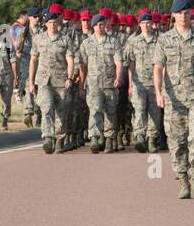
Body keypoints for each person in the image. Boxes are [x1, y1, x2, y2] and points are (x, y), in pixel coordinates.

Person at [153, 0, 194, 198]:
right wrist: (158, 91)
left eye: (186, 12)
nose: (183, 16)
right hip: (174, 98)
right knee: (177, 141)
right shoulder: (164, 40)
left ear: (191, 14)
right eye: (179, 13)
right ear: (173, 15)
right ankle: (183, 180)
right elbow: (158, 67)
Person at [29, 9, 77, 154]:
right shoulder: (38, 39)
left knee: (61, 112)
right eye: (50, 22)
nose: (53, 25)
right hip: (44, 80)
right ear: (46, 23)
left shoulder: (65, 39)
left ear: (59, 23)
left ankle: (60, 139)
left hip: (61, 80)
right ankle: (48, 137)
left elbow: (70, 59)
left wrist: (69, 77)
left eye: (55, 22)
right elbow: (33, 59)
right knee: (47, 108)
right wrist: (31, 82)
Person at [79, 12, 125, 154]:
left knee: (110, 113)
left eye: (102, 24)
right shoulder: (86, 44)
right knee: (95, 110)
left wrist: (118, 77)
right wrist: (81, 85)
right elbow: (82, 66)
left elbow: (118, 62)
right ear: (92, 26)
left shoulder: (114, 42)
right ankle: (94, 138)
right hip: (93, 84)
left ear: (106, 25)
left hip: (110, 84)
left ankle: (109, 140)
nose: (100, 27)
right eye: (97, 25)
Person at [126, 11, 163, 154]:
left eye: (148, 23)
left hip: (155, 83)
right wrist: (130, 84)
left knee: (155, 113)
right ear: (139, 25)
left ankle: (152, 139)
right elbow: (130, 65)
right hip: (138, 83)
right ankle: (140, 136)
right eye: (143, 23)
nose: (146, 25)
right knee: (140, 110)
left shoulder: (159, 41)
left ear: (152, 24)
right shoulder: (133, 42)